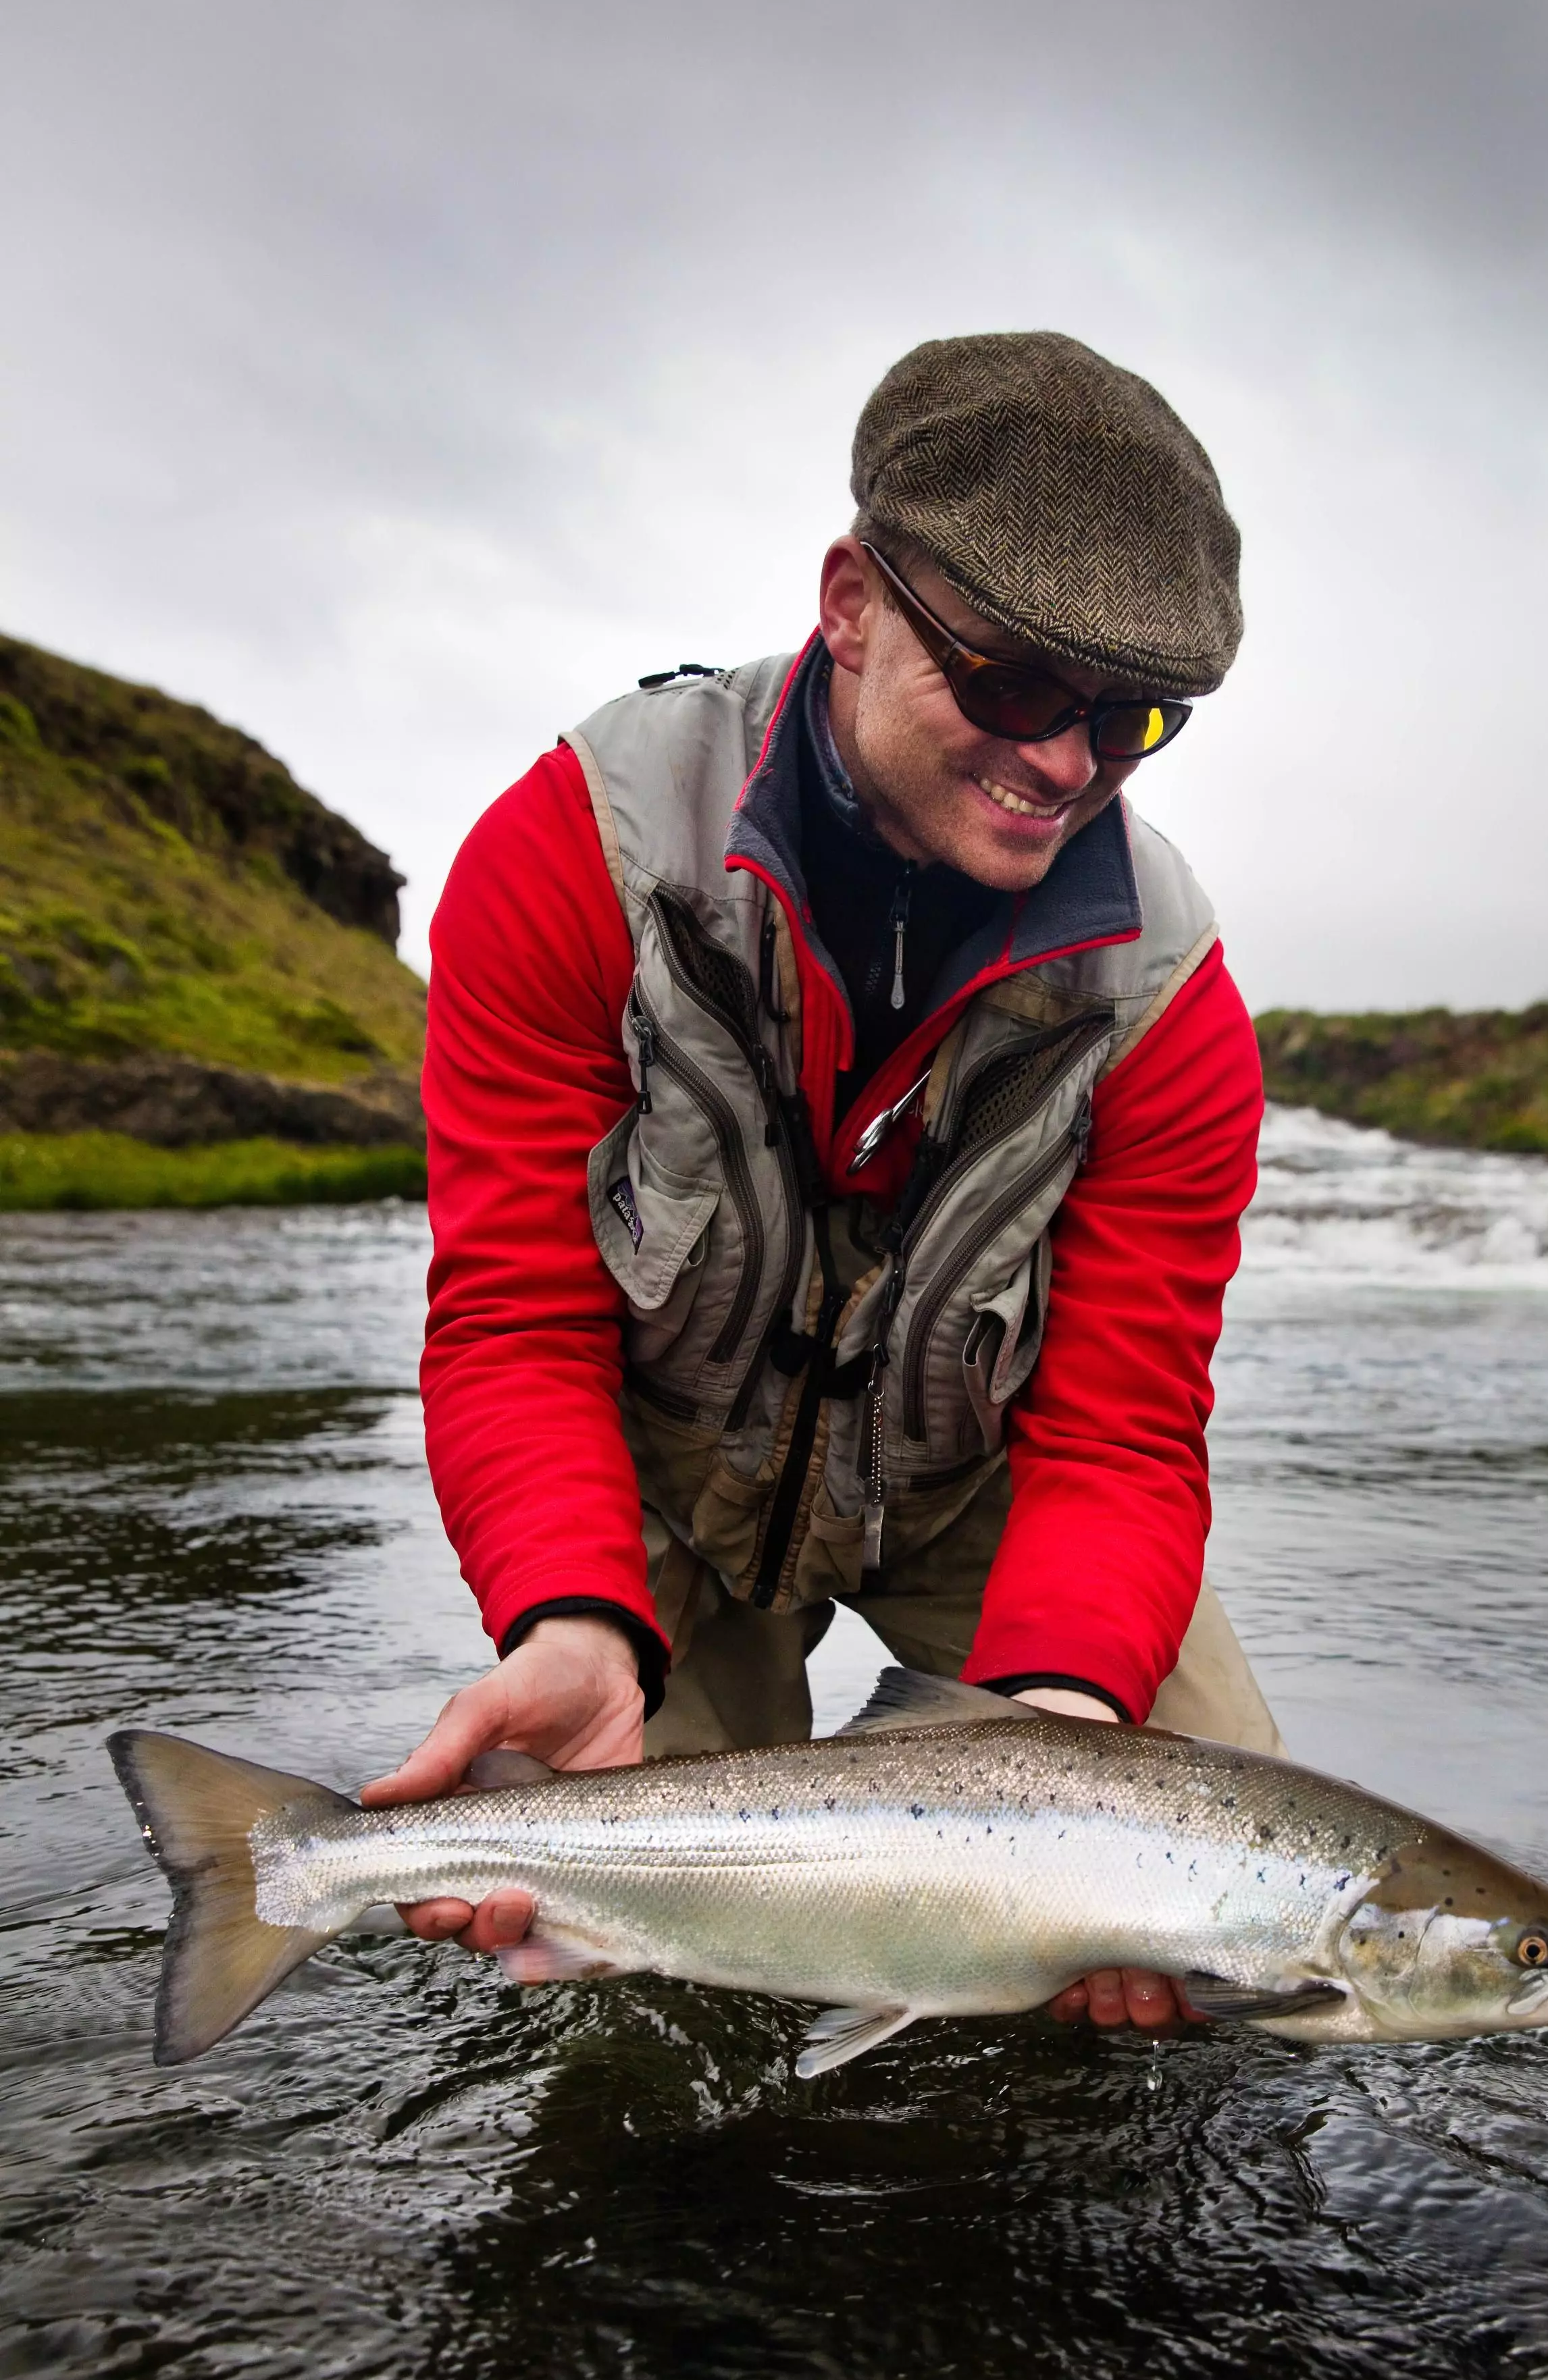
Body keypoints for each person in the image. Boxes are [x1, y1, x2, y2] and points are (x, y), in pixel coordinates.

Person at [366, 329, 1281, 2034]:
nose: (1068, 766)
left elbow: (1120, 1435)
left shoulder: (1171, 1012)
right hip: (659, 1489)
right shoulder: (576, 855)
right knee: (651, 1994)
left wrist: (1062, 1731)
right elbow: (513, 1320)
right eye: (1013, 684)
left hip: (973, 1487)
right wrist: (572, 1607)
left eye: (1132, 716)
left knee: (1240, 1918)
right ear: (851, 601)